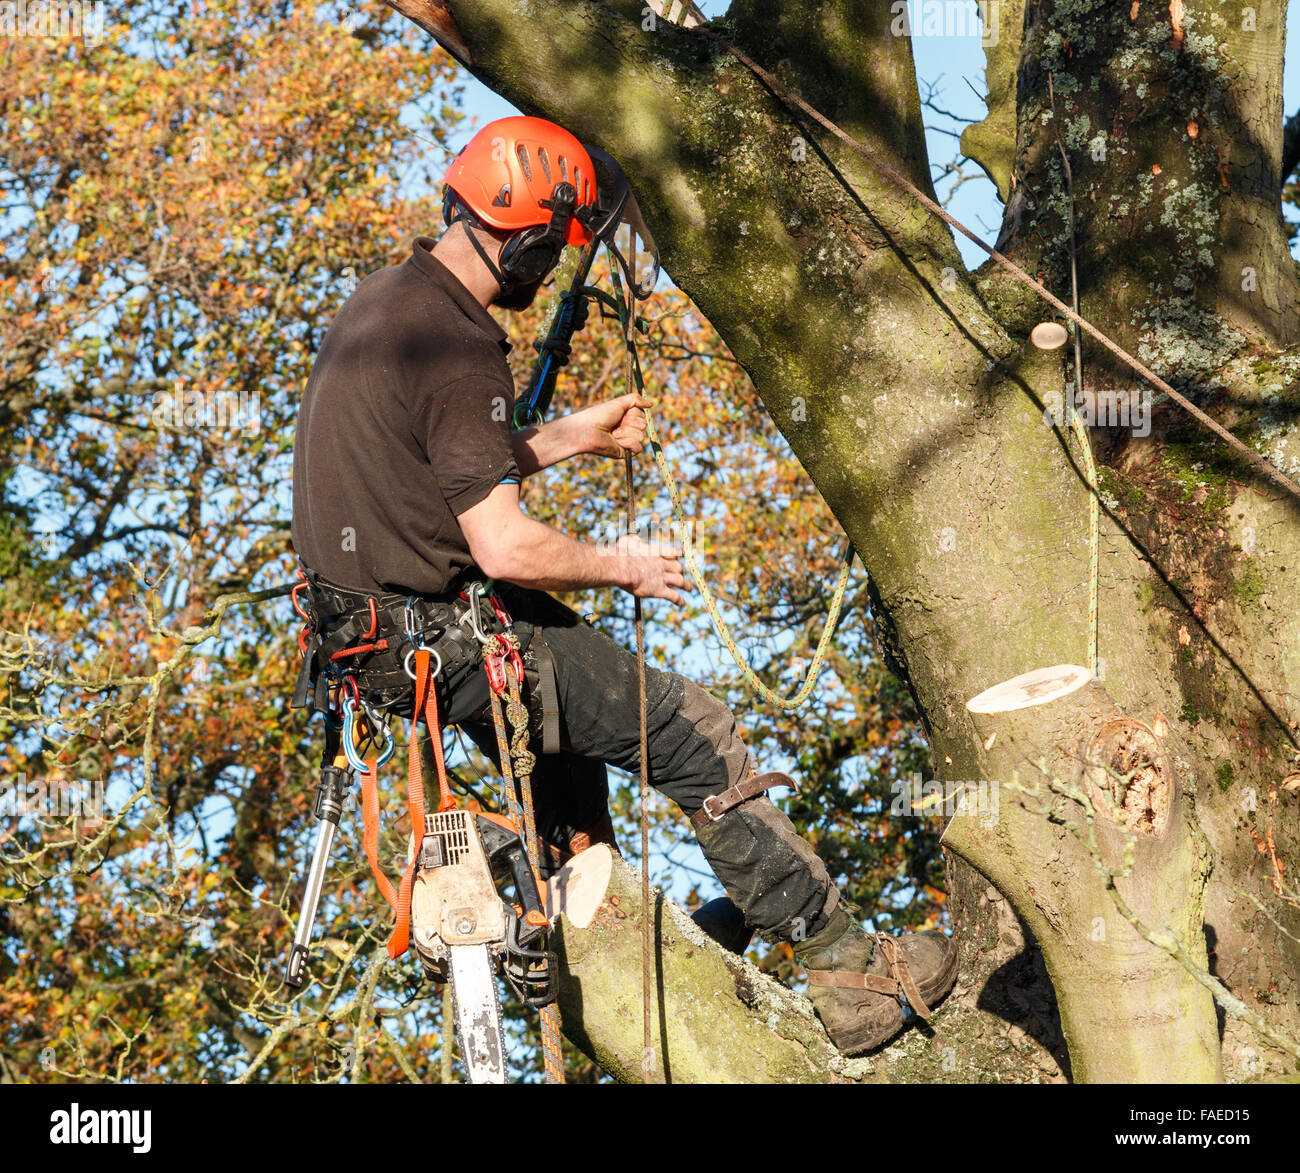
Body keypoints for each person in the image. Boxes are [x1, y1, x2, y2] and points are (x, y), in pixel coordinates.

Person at [290, 115, 956, 1055]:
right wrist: (624, 565)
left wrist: (571, 436)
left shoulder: (387, 303)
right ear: (522, 245)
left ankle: (621, 932)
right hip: (450, 638)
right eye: (549, 252)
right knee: (691, 728)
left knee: (569, 754)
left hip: (391, 640)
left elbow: (444, 469)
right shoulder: (457, 341)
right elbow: (507, 544)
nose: (551, 270)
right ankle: (846, 965)